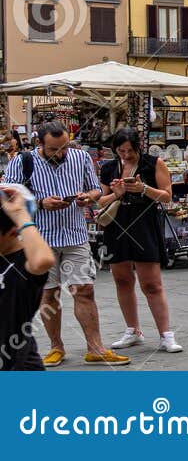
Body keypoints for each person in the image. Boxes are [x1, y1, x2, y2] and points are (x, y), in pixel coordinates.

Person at [1, 123, 126, 365]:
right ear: (41, 145)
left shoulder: (80, 157)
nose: (60, 153)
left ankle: (96, 348)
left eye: (64, 147)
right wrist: (41, 202)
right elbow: (8, 196)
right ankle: (56, 347)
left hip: (74, 234)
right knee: (49, 294)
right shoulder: (22, 161)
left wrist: (88, 197)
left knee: (85, 290)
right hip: (40, 238)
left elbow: (96, 189)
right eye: (54, 149)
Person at [98, 129, 182, 353]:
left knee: (151, 284)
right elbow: (101, 201)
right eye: (121, 150)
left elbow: (167, 196)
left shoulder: (153, 164)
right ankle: (132, 330)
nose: (125, 155)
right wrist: (117, 192)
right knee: (122, 280)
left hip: (144, 225)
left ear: (139, 147)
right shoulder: (108, 167)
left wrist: (143, 188)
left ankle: (166, 334)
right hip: (116, 225)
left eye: (130, 151)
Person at [1, 182, 56, 370]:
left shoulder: (24, 261)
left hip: (16, 363)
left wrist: (19, 214)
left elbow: (44, 261)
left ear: (13, 231)